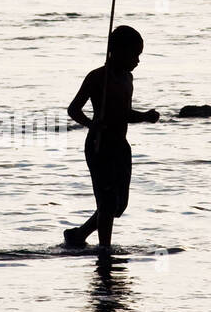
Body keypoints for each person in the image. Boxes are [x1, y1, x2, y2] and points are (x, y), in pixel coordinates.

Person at [63, 25, 158, 250]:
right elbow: (73, 109)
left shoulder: (128, 79)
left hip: (120, 146)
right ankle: (105, 250)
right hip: (99, 146)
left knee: (118, 205)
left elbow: (124, 114)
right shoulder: (97, 77)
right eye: (134, 54)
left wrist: (144, 116)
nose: (137, 60)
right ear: (117, 51)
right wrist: (91, 124)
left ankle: (78, 235)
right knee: (106, 203)